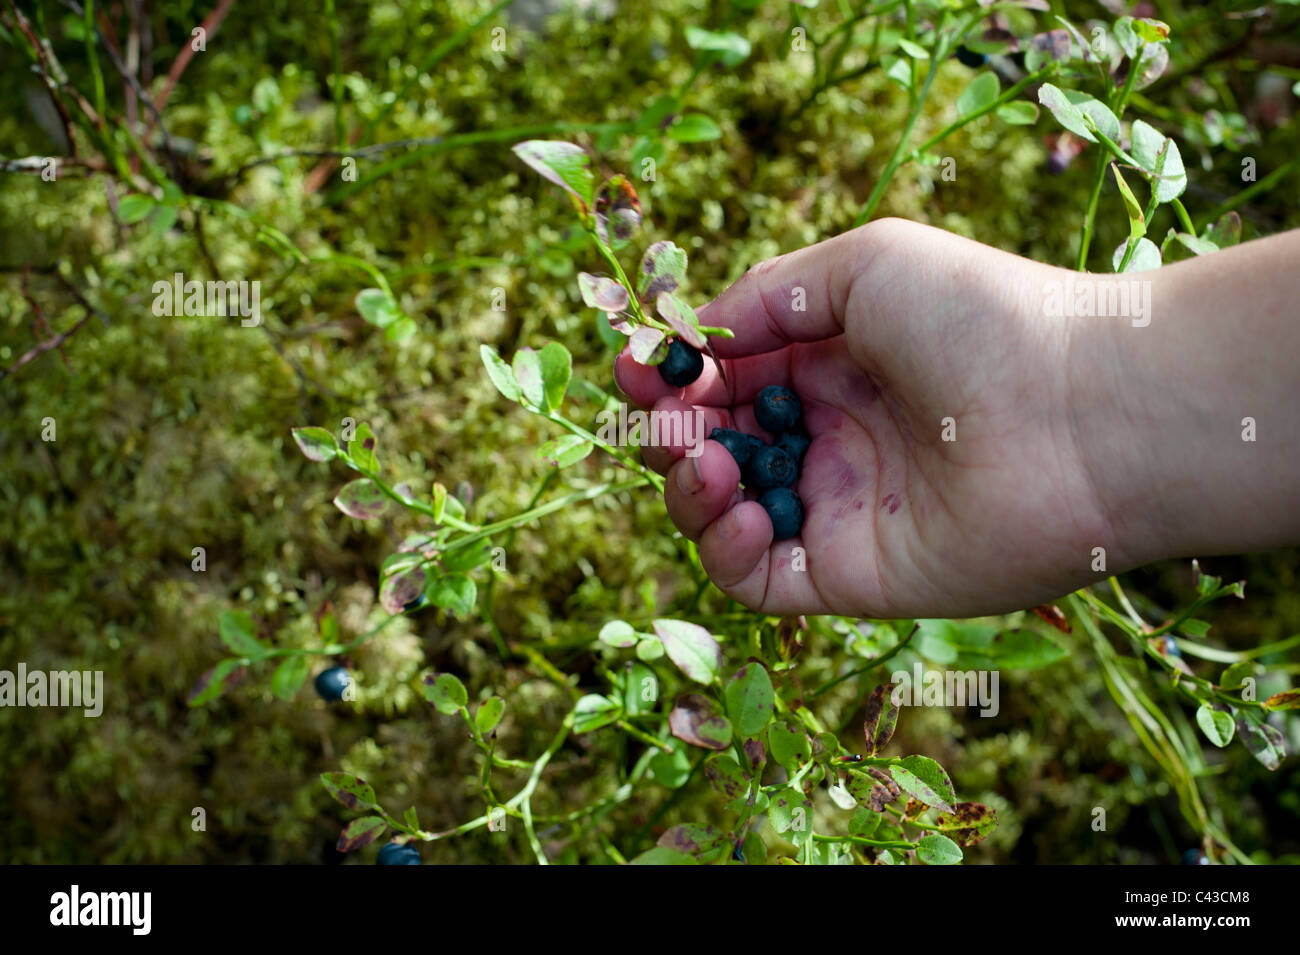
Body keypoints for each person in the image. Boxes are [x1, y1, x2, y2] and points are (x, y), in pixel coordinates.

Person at [614, 218, 1300, 617]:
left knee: (723, 469)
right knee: (727, 472)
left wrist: (1077, 386)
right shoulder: (775, 453)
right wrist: (1083, 393)